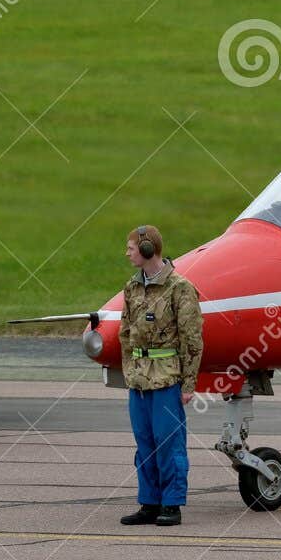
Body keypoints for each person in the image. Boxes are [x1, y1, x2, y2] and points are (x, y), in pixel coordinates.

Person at [117, 225, 203, 528]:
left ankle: (172, 503)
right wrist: (129, 370)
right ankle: (149, 502)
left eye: (130, 248)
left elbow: (192, 340)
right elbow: (125, 332)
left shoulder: (180, 288)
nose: (127, 253)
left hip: (167, 379)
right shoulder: (132, 287)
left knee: (169, 443)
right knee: (145, 443)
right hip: (139, 380)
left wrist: (189, 384)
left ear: (147, 250)